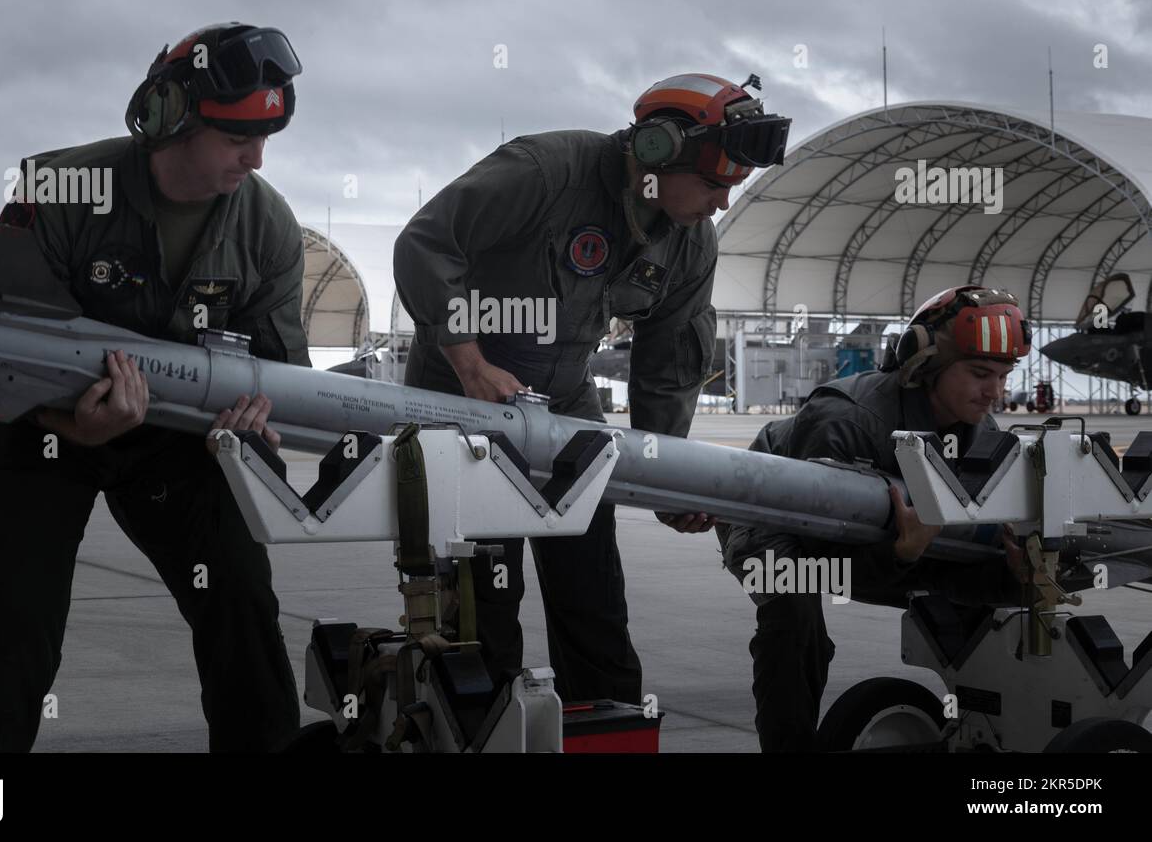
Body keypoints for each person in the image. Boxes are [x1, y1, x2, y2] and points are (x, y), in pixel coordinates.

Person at [0, 22, 312, 752]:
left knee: (241, 607)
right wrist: (69, 426)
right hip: (31, 428)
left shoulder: (269, 228)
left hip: (176, 441)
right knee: (3, 630)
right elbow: (5, 338)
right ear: (172, 120)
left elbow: (280, 368)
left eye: (268, 139)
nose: (255, 160)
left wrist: (257, 427)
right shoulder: (59, 189)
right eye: (235, 137)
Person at [393, 73, 791, 701]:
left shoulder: (689, 241)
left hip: (567, 415)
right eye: (716, 185)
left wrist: (667, 480)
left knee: (596, 612)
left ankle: (606, 730)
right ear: (659, 150)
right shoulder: (544, 173)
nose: (720, 203)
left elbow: (670, 361)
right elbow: (426, 245)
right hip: (463, 410)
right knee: (481, 617)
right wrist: (470, 363)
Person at [716, 286, 1032, 751]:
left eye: (1004, 376)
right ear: (926, 366)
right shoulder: (846, 421)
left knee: (979, 610)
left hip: (881, 535)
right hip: (770, 513)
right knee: (793, 607)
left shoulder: (979, 432)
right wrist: (903, 553)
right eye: (981, 373)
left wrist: (1015, 579)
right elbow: (829, 559)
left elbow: (952, 569)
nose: (995, 393)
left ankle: (972, 732)